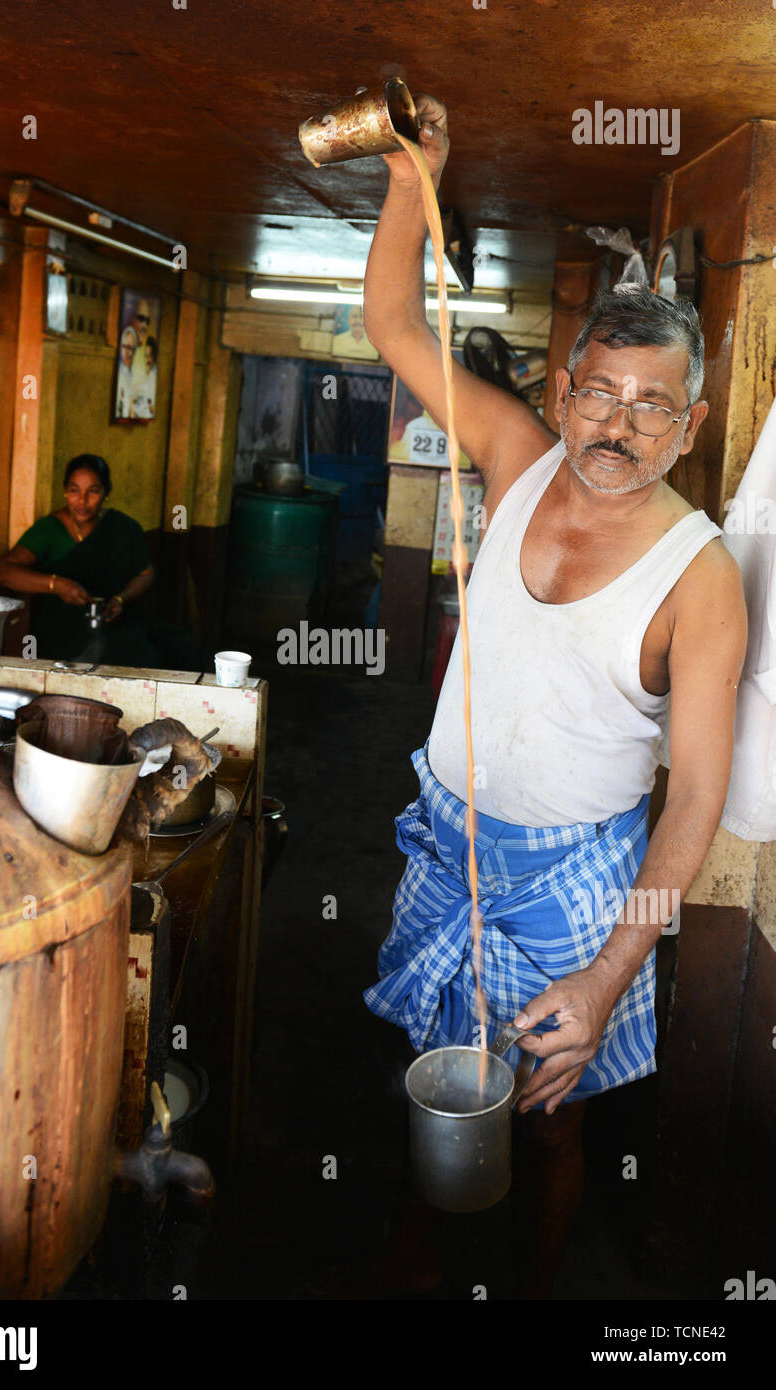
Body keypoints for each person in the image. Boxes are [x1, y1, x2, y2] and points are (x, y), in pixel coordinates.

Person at [361, 94, 747, 1298]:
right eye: (598, 393)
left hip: (574, 883)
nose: (615, 426)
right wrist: (407, 180)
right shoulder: (515, 456)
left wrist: (605, 974)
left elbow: (689, 808)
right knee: (437, 1075)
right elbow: (387, 321)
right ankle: (422, 1259)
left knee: (546, 1117)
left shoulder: (700, 577)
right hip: (446, 844)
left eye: (649, 407)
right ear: (563, 385)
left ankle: (526, 1283)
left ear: (684, 428)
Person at [0, 454, 190, 669]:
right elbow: (3, 573)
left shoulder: (123, 528)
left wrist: (120, 599)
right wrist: (57, 585)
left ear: (106, 493)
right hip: (59, 633)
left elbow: (146, 575)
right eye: (74, 490)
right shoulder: (48, 530)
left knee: (177, 648)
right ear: (65, 491)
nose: (82, 500)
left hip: (115, 625)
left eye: (93, 491)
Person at [131, 334, 157, 419]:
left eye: (150, 356)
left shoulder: (154, 377)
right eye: (145, 356)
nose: (147, 360)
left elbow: (151, 410)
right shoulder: (144, 376)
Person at [115, 327, 138, 418]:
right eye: (127, 347)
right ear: (121, 348)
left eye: (132, 349)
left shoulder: (131, 374)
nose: (130, 353)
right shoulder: (118, 374)